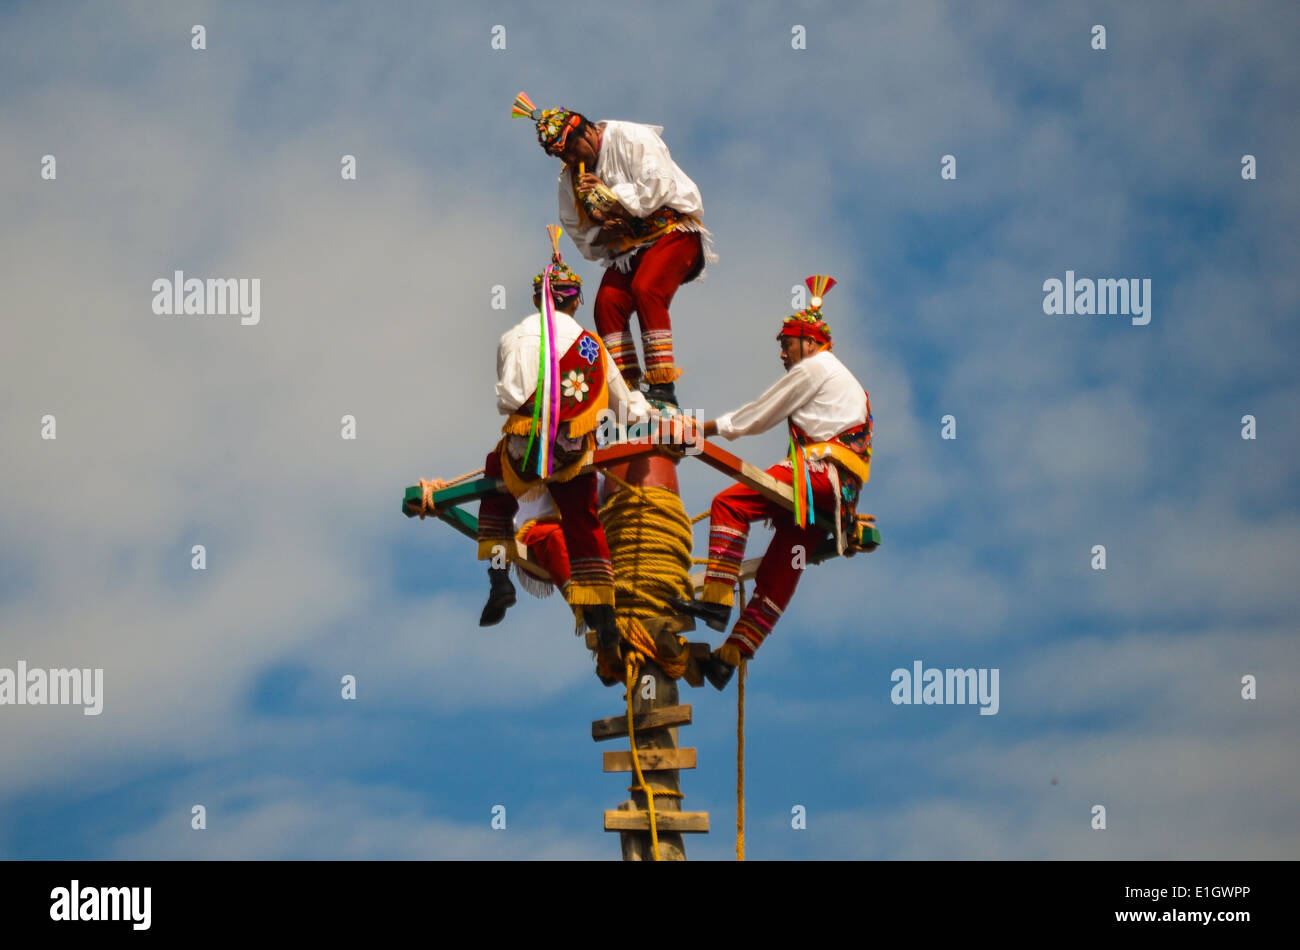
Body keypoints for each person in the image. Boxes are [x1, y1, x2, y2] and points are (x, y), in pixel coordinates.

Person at [670, 277, 874, 690]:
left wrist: (698, 430)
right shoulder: (847, 382)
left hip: (818, 476)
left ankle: (715, 600)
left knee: (730, 504)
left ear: (810, 342)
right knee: (785, 563)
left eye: (786, 344)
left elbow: (758, 415)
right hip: (836, 496)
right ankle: (731, 656)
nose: (782, 354)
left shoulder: (816, 367)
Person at [476, 228, 654, 655]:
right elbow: (626, 407)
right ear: (574, 301)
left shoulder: (510, 338)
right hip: (570, 452)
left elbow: (508, 396)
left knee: (494, 487)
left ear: (539, 299)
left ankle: (499, 579)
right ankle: (607, 621)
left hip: (523, 451)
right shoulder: (590, 346)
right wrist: (652, 414)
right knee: (582, 519)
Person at [512, 92, 717, 406]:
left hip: (674, 232)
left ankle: (663, 389)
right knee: (606, 305)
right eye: (560, 155)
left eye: (570, 149)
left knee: (646, 288)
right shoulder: (570, 178)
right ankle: (628, 393)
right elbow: (580, 233)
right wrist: (603, 233)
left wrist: (610, 197)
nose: (569, 159)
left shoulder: (631, 137)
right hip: (628, 253)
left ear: (589, 132)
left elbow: (658, 186)